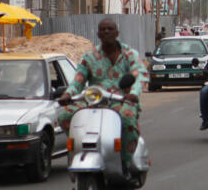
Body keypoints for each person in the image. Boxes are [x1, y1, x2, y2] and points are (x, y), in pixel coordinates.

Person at [58, 18, 147, 168]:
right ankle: (77, 152)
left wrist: (133, 93)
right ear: (98, 34)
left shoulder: (130, 54)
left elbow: (140, 76)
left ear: (117, 33)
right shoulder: (89, 57)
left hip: (121, 101)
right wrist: (68, 94)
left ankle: (125, 162)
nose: (106, 32)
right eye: (103, 29)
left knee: (127, 119)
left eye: (110, 29)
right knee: (65, 116)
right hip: (94, 102)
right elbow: (78, 80)